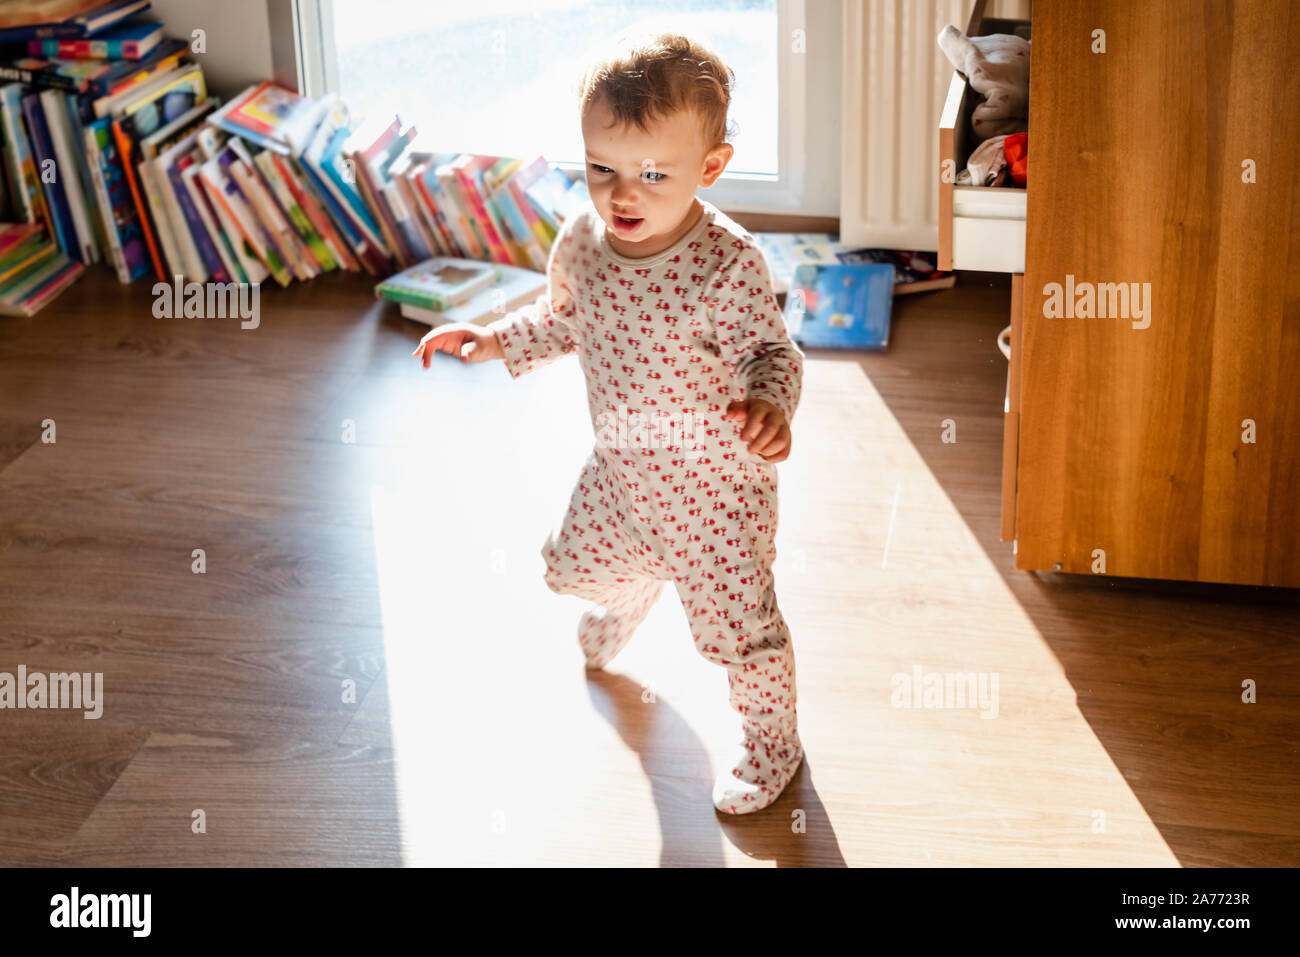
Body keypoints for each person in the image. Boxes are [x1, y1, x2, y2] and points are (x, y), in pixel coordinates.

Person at [413, 32, 805, 814]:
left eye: (653, 174)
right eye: (603, 169)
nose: (623, 194)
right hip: (624, 472)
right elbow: (564, 321)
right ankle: (634, 590)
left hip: (716, 495)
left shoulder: (728, 264)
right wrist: (493, 339)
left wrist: (769, 404)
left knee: (739, 634)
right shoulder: (583, 245)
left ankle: (773, 747)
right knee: (568, 571)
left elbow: (773, 353)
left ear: (712, 168)